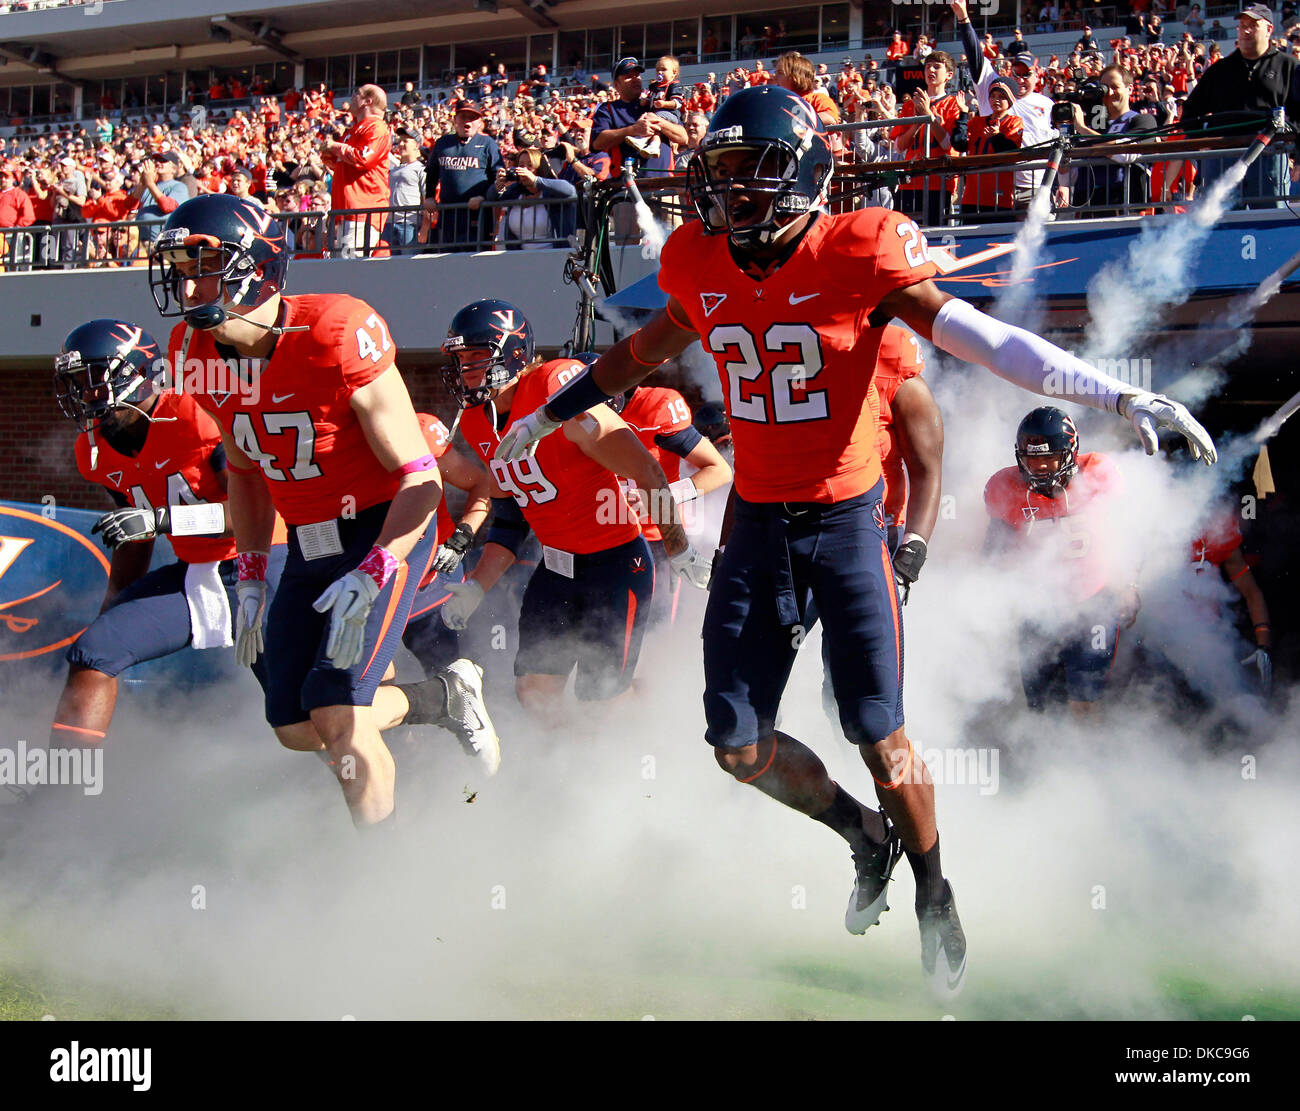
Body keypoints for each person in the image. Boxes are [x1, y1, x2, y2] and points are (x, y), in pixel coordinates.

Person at [492, 85, 1216, 996]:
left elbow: (982, 340)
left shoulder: (859, 249)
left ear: (801, 172)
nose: (731, 193)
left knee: (879, 729)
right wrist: (552, 415)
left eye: (751, 171)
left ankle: (935, 892)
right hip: (758, 521)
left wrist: (1112, 394)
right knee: (735, 743)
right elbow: (637, 353)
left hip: (844, 522)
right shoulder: (697, 259)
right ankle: (860, 836)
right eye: (718, 173)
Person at [147, 194, 494, 827]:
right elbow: (247, 474)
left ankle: (379, 881)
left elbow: (421, 480)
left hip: (383, 526)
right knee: (293, 725)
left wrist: (380, 566)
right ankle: (441, 697)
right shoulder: (191, 350)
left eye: (204, 263)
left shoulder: (335, 330)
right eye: (179, 266)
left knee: (341, 717)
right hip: (307, 541)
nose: (188, 281)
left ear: (255, 266)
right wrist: (251, 574)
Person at [436, 300, 710, 726]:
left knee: (602, 701)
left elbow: (648, 471)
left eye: (476, 357)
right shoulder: (477, 419)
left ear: (512, 353)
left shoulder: (554, 385)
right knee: (534, 692)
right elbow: (511, 516)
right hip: (557, 566)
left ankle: (649, 744)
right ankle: (571, 769)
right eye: (460, 360)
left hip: (616, 564)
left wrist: (677, 547)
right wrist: (477, 586)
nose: (465, 370)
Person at [47, 318, 257, 755]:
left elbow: (250, 513)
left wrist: (161, 520)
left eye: (94, 378)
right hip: (198, 572)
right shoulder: (95, 449)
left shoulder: (198, 416)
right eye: (77, 381)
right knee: (96, 649)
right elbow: (134, 531)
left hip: (263, 566)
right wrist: (115, 600)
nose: (85, 392)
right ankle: (57, 794)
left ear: (136, 372)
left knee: (302, 714)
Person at [984, 408, 1139, 716]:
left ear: (1070, 453)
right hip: (1037, 605)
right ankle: (1046, 760)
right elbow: (994, 553)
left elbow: (1127, 533)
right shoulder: (1005, 488)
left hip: (1092, 599)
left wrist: (1129, 583)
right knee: (1041, 703)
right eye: (1032, 459)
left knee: (1086, 698)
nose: (1040, 467)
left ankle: (1084, 760)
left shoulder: (1099, 474)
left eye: (1048, 458)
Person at [609, 382, 733, 626]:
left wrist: (662, 496)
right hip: (597, 543)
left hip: (654, 542)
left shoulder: (656, 409)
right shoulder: (578, 416)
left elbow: (719, 470)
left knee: (651, 632)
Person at [1181, 5, 1300, 206]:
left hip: (1269, 159)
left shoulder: (1289, 66)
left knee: (1268, 223)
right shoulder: (1219, 70)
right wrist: (1201, 141)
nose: (1245, 30)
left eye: (1252, 25)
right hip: (1221, 160)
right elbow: (1191, 112)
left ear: (1269, 29)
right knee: (1221, 226)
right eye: (1242, 25)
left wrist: (1298, 156)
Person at [952, 0, 1058, 205]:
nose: (1020, 79)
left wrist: (1062, 184)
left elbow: (1057, 146)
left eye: (1026, 74)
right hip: (993, 185)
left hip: (1034, 185)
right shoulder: (994, 89)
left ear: (1037, 75)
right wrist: (964, 18)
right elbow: (975, 55)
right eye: (1016, 73)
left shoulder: (1047, 104)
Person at [890, 51, 967, 226]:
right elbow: (899, 147)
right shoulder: (910, 105)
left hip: (938, 182)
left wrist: (928, 116)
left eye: (936, 66)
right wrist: (917, 124)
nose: (930, 70)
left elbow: (949, 144)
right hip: (910, 180)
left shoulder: (954, 104)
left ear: (949, 75)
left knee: (935, 235)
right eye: (927, 67)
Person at [1066, 66, 1158, 212]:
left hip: (1124, 205)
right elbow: (1069, 173)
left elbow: (1125, 153)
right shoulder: (1096, 124)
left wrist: (1082, 129)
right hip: (1087, 205)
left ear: (1129, 88)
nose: (1110, 92)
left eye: (1115, 87)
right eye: (1105, 88)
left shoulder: (1143, 120)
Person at [321, 83, 391, 257]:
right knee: (340, 269)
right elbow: (339, 163)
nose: (351, 97)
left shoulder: (377, 127)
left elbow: (363, 158)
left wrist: (335, 146)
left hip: (362, 211)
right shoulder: (352, 130)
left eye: (356, 94)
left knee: (348, 270)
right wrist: (327, 152)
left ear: (367, 101)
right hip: (345, 211)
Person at [590, 57, 688, 179]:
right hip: (628, 185)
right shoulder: (608, 109)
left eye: (637, 75)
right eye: (628, 76)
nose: (635, 79)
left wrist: (659, 122)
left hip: (664, 182)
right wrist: (633, 130)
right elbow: (597, 143)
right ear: (616, 84)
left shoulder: (654, 103)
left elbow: (683, 137)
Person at [424, 103, 502, 252]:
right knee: (446, 260)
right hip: (448, 215)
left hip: (477, 215)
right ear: (455, 120)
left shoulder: (488, 143)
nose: (467, 122)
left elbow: (498, 178)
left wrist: (484, 197)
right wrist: (429, 196)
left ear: (479, 123)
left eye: (472, 118)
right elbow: (432, 172)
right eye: (463, 117)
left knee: (475, 262)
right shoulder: (443, 143)